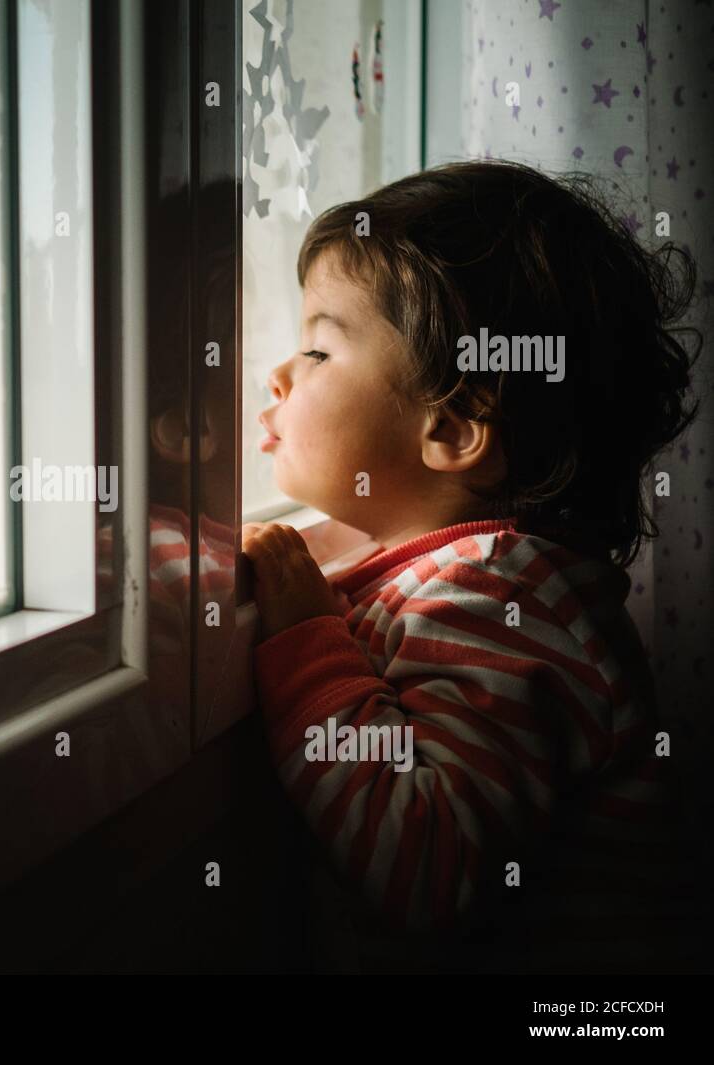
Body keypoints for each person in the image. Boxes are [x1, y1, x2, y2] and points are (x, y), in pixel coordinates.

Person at [242, 160, 706, 973]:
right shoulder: (459, 576)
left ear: (455, 428)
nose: (279, 372)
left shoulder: (495, 595)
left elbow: (423, 864)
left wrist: (310, 640)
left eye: (318, 349)